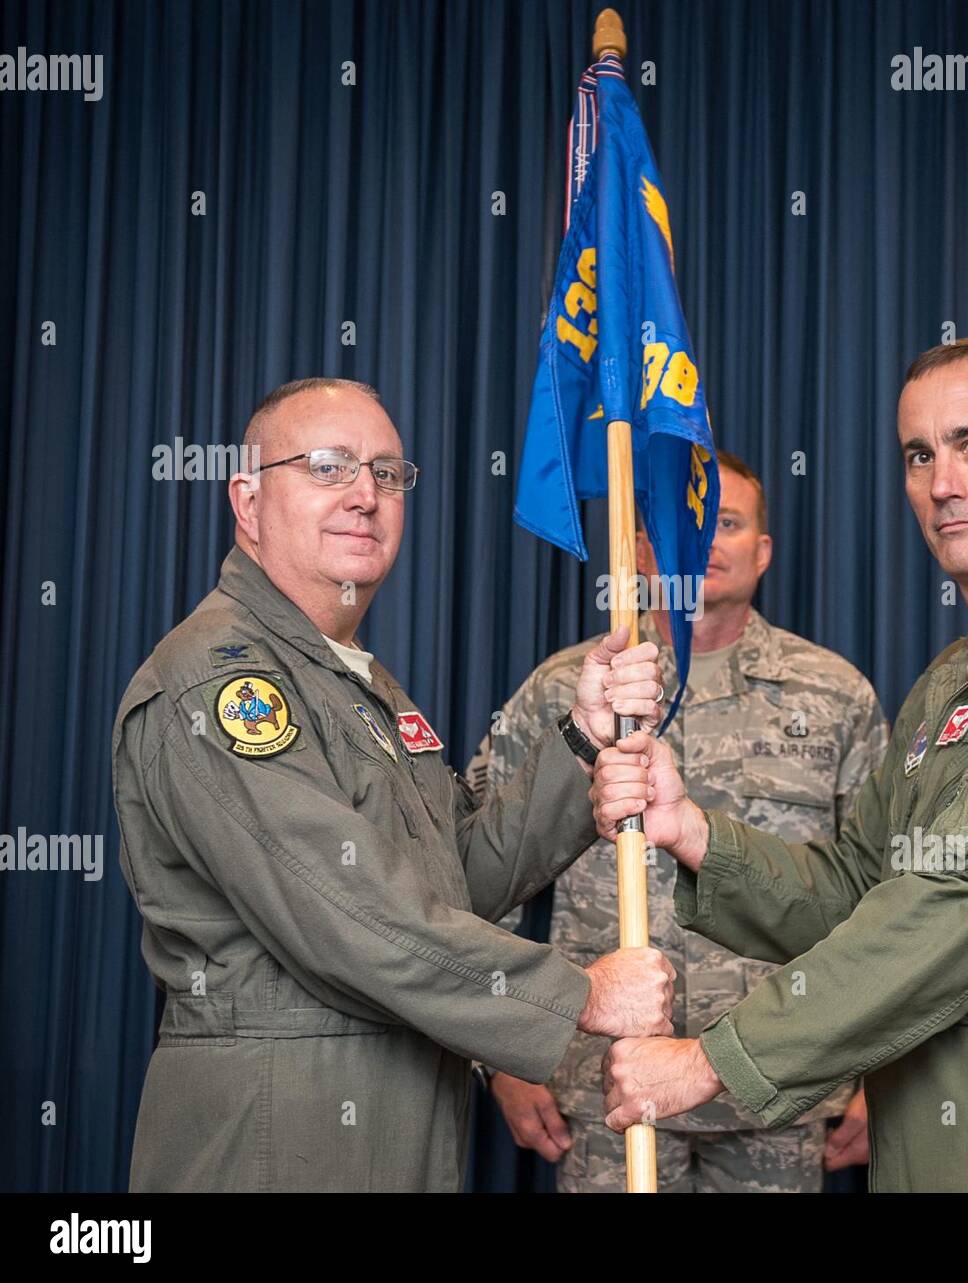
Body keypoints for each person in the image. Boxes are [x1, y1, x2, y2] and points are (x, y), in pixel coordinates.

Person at [592, 340, 968, 1193]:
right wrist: (693, 832)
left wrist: (712, 1060)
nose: (943, 482)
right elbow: (855, 891)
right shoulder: (950, 682)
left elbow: (955, 904)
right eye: (920, 454)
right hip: (915, 1120)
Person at [112, 377, 676, 1192]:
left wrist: (579, 745)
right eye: (328, 467)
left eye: (386, 472)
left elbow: (455, 881)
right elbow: (353, 916)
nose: (365, 496)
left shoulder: (359, 681)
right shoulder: (220, 683)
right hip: (280, 1140)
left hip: (400, 1120)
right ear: (247, 499)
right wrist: (578, 995)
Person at [470, 452, 888, 1191]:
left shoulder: (834, 695)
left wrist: (879, 1069)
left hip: (778, 1085)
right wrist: (503, 1051)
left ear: (763, 550)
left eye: (728, 523)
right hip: (608, 1088)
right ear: (639, 548)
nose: (706, 541)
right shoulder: (572, 690)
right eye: (683, 523)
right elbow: (481, 865)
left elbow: (880, 892)